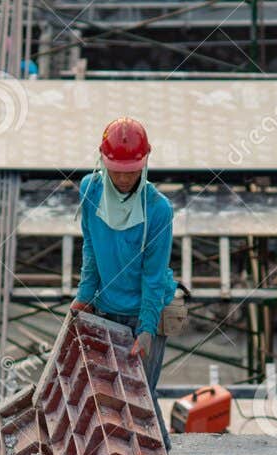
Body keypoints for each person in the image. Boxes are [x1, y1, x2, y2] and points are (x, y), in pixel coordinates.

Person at [72, 117, 175, 427]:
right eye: (116, 170)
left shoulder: (158, 209)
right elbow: (90, 246)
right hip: (104, 308)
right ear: (103, 162)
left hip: (143, 311)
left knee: (141, 396)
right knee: (105, 395)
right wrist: (84, 296)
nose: (124, 179)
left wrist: (146, 330)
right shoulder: (90, 190)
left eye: (132, 171)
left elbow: (154, 277)